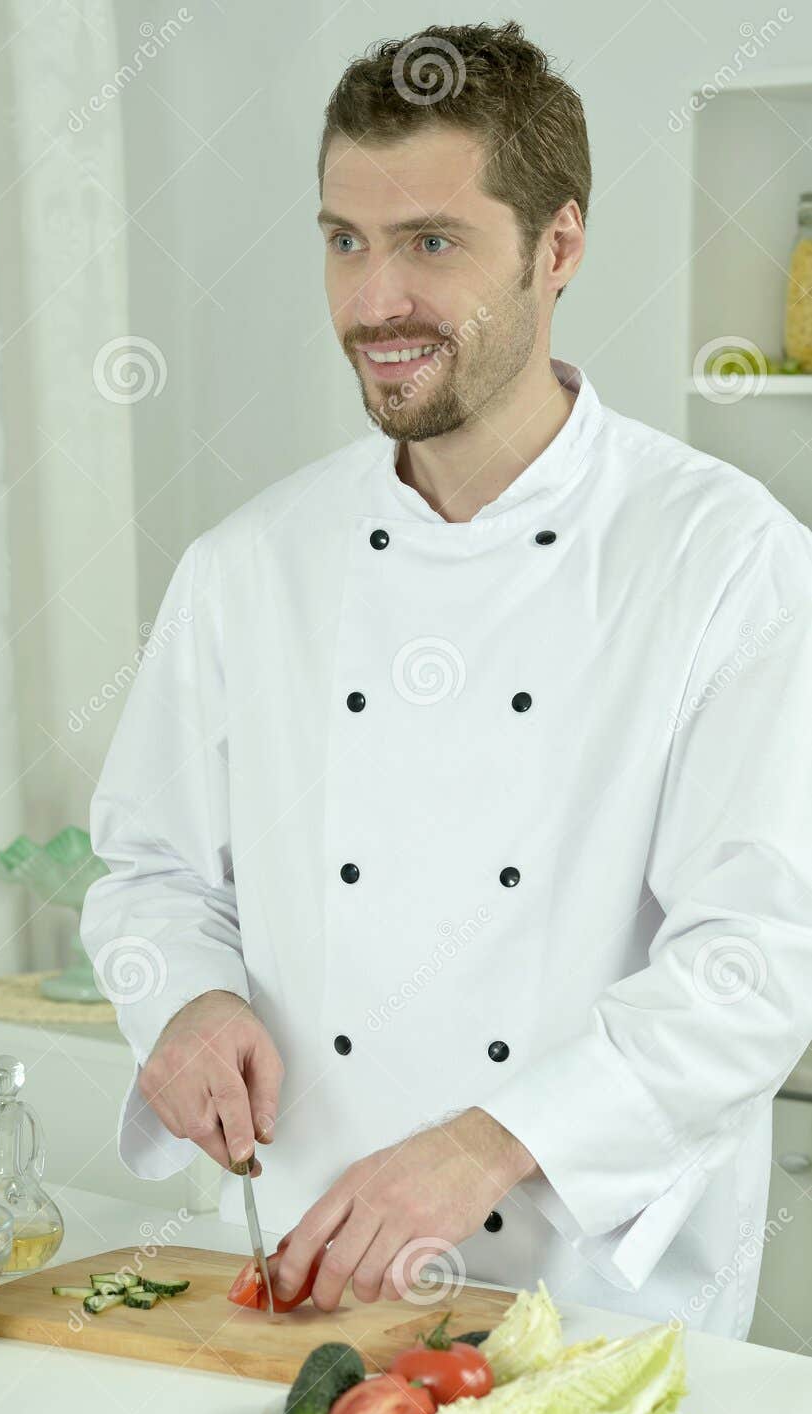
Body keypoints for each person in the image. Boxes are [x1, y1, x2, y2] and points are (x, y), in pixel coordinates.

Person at [80, 21, 812, 1339]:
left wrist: (485, 1141)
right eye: (343, 240)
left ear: (559, 249)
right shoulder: (246, 567)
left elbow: (758, 963)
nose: (373, 301)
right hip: (304, 1291)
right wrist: (183, 998)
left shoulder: (725, 558)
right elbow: (148, 873)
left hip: (597, 1312)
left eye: (430, 241)